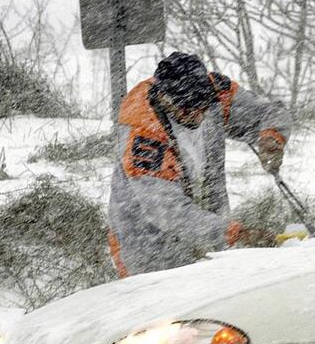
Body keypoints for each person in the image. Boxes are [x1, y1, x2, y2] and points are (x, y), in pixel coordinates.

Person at [107, 52, 292, 277]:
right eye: (187, 110)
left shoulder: (215, 92)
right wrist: (235, 233)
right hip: (146, 249)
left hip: (212, 237)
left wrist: (272, 138)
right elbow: (168, 212)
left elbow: (269, 112)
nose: (197, 116)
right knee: (169, 310)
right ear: (164, 97)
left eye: (202, 108)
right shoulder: (143, 134)